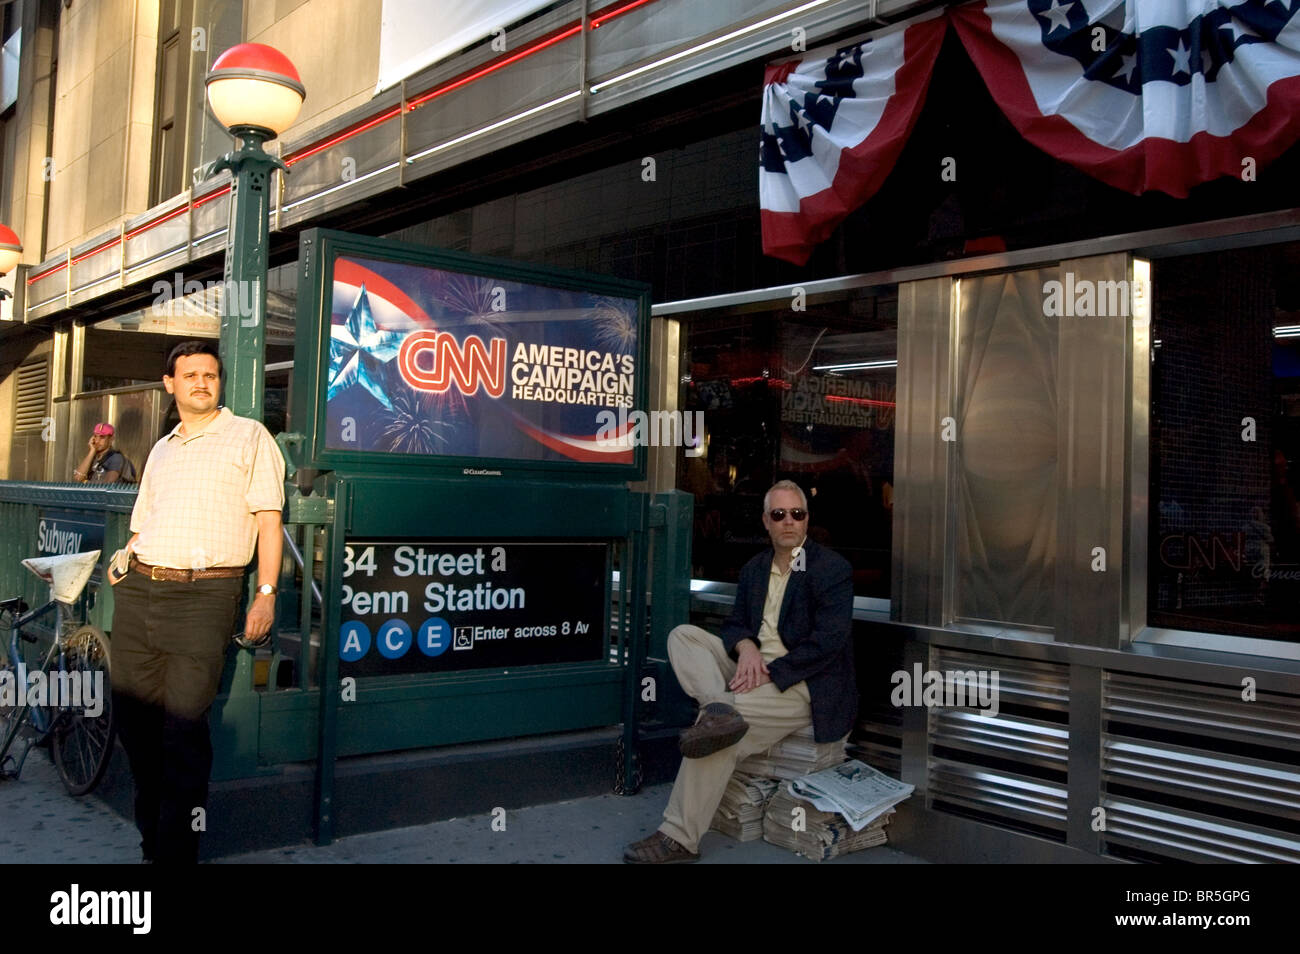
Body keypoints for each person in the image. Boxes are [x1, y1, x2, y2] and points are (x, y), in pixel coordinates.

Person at [110, 340, 285, 863]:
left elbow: (269, 521)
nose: (202, 382)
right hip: (140, 590)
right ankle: (151, 847)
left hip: (206, 593)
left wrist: (266, 594)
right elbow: (143, 520)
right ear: (171, 384)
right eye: (190, 375)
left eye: (210, 374)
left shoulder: (250, 436)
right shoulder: (162, 447)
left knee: (183, 733)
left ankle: (176, 856)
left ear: (220, 383)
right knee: (136, 727)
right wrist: (125, 560)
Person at [623, 479, 856, 863]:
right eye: (779, 514)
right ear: (766, 521)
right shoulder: (754, 569)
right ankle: (718, 706)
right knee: (684, 636)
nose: (788, 522)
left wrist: (770, 671)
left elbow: (827, 643)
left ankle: (679, 837)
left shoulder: (831, 569)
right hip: (751, 667)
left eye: (797, 514)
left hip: (802, 684)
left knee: (721, 734)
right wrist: (746, 647)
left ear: (807, 519)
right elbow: (734, 625)